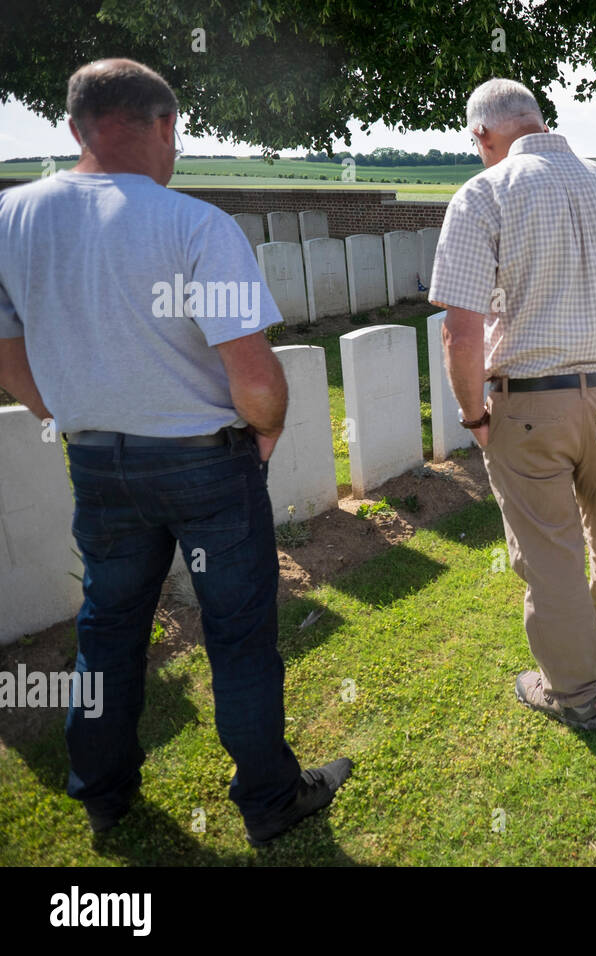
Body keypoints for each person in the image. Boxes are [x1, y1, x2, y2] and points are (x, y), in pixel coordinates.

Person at [0, 59, 351, 844]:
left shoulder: (10, 219)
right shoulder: (195, 224)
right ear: (163, 126)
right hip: (205, 464)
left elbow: (6, 353)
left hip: (99, 463)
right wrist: (266, 429)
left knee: (109, 628)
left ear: (74, 127)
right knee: (237, 633)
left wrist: (72, 413)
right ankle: (269, 800)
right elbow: (253, 376)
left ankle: (102, 794)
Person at [430, 78, 596, 731]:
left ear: (483, 134)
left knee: (550, 553)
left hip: (531, 403)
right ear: (538, 120)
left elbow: (461, 333)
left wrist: (474, 416)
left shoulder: (483, 194)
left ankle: (574, 694)